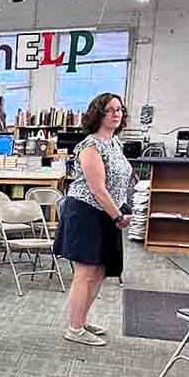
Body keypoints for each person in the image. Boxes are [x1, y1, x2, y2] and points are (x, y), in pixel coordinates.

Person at [53, 92, 133, 346]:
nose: (116, 114)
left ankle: (82, 319)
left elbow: (119, 181)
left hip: (106, 212)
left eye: (119, 109)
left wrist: (122, 207)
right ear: (98, 113)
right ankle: (74, 329)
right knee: (85, 273)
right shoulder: (91, 145)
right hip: (86, 212)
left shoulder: (115, 143)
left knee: (99, 272)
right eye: (110, 110)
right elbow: (97, 188)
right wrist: (118, 215)